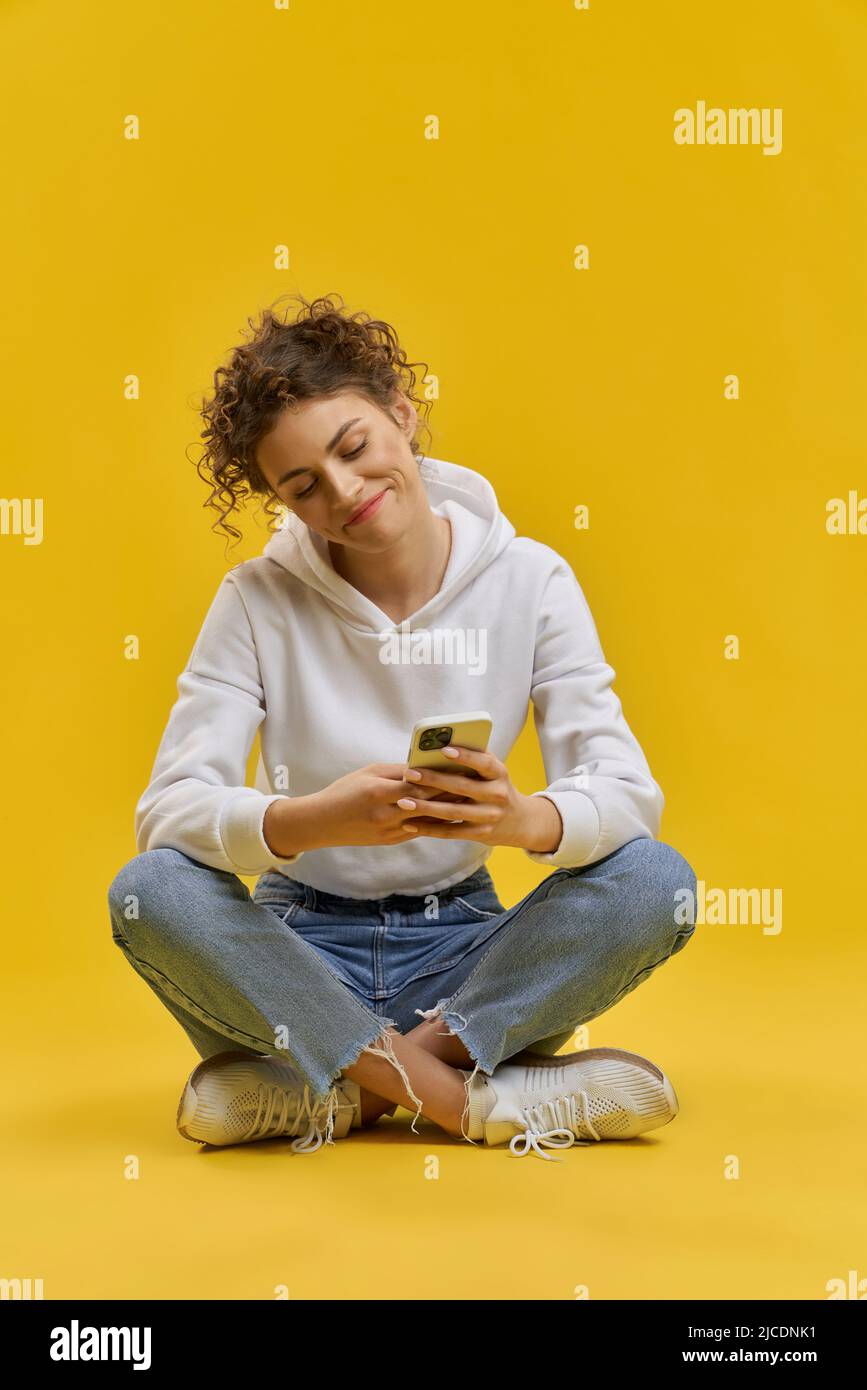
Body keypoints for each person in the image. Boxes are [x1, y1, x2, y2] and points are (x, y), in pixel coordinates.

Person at [107, 292, 698, 1162]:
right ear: (280, 497)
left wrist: (521, 820)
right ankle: (469, 1104)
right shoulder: (253, 600)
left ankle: (337, 1093)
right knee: (148, 891)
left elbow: (624, 795)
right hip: (293, 958)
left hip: (469, 960)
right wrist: (310, 821)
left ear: (401, 412)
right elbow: (168, 811)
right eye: (301, 485)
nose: (344, 493)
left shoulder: (531, 578)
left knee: (655, 880)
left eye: (354, 448)